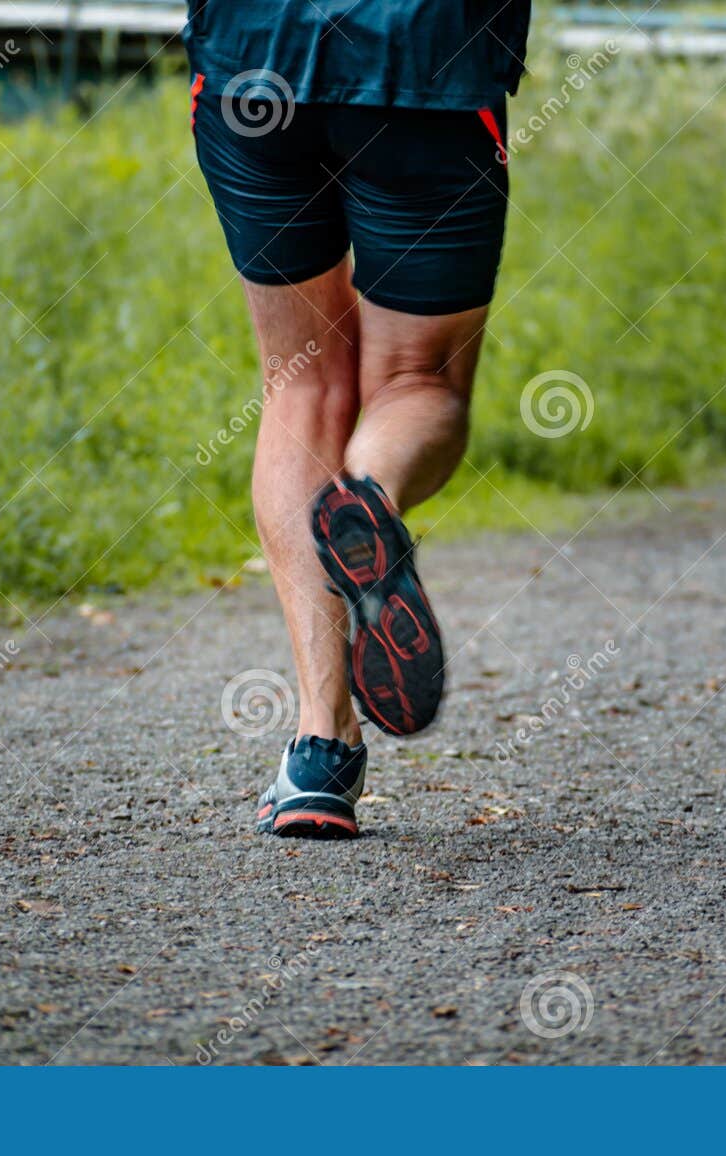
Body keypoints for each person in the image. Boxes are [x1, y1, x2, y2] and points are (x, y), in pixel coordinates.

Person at [184, 1, 532, 838]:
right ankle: (368, 496)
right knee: (419, 380)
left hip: (252, 65)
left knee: (301, 385)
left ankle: (319, 748)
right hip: (424, 67)